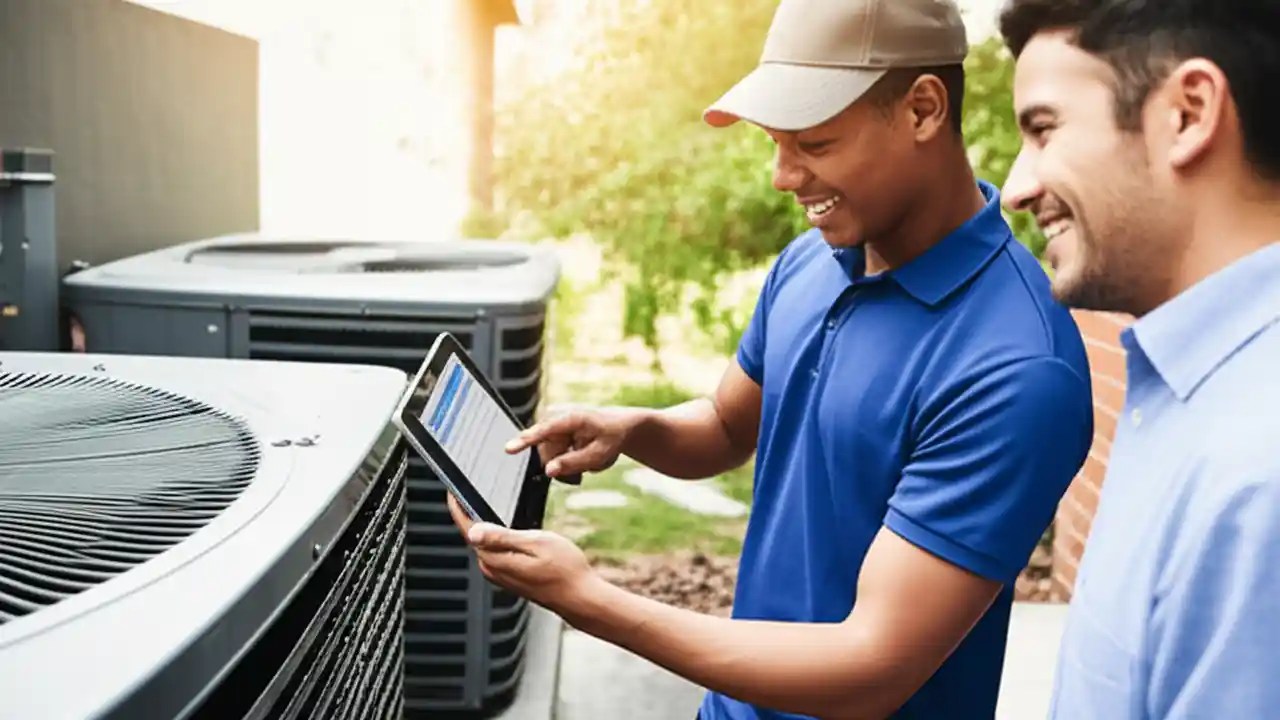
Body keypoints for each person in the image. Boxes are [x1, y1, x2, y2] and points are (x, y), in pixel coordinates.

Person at [449, 0, 1094, 717]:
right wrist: (633, 430)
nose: (783, 176)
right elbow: (728, 425)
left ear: (922, 110)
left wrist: (589, 600)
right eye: (775, 143)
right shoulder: (809, 262)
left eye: (814, 143)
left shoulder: (1016, 368)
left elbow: (871, 670)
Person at [997, 1, 1280, 717]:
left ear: (1188, 114)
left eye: (1044, 129)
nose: (1018, 187)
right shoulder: (1189, 386)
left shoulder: (1258, 477)